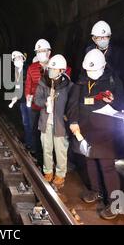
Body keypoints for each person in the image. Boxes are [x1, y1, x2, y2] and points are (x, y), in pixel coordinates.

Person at [67, 49, 124, 220]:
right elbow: (73, 104)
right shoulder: (81, 82)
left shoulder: (113, 81)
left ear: (104, 66)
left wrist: (114, 100)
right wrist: (73, 121)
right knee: (90, 162)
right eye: (89, 70)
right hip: (85, 130)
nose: (91, 74)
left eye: (95, 70)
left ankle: (116, 205)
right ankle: (96, 191)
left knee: (108, 167)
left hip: (105, 131)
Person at [33, 55, 72, 189]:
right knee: (47, 148)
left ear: (61, 70)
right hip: (45, 122)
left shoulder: (68, 86)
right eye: (50, 68)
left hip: (60, 123)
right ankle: (48, 172)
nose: (51, 71)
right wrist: (45, 102)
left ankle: (60, 174)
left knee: (60, 150)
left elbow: (71, 106)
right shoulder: (43, 82)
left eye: (54, 69)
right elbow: (36, 100)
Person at [25, 39, 52, 155]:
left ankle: (51, 157)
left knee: (50, 132)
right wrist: (27, 96)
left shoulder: (55, 65)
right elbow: (28, 85)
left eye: (43, 51)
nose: (40, 53)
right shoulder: (32, 68)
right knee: (35, 130)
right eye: (38, 51)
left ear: (49, 52)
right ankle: (38, 153)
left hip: (50, 106)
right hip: (35, 105)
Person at [9, 51, 32, 148]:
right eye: (15, 59)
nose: (17, 60)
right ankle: (28, 143)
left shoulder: (28, 70)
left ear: (23, 58)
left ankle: (34, 146)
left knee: (32, 123)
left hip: (30, 101)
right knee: (26, 123)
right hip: (22, 101)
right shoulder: (17, 71)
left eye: (19, 58)